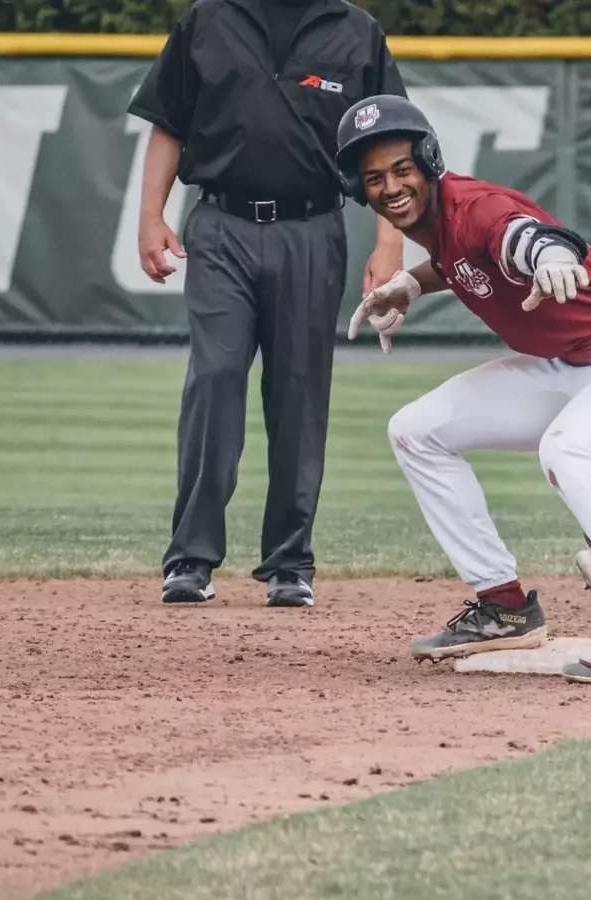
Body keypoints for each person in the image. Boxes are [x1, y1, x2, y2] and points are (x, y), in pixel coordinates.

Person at [335, 95, 591, 686]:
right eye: (374, 178)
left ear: (428, 161)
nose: (391, 186)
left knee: (568, 450)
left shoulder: (474, 207)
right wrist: (413, 283)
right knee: (415, 430)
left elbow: (520, 235)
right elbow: (461, 258)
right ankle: (503, 607)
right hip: (571, 367)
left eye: (402, 169)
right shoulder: (441, 229)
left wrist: (549, 252)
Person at [129, 0, 409, 608]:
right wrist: (150, 216)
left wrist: (390, 244)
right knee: (216, 376)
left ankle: (289, 563)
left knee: (299, 392)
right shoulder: (208, 21)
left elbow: (388, 144)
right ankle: (191, 558)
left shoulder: (356, 32)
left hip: (311, 229)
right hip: (221, 223)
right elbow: (168, 124)